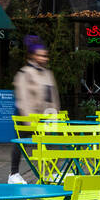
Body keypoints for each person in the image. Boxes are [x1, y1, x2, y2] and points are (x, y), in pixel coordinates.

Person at [9, 35, 60, 184]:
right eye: (40, 55)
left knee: (50, 143)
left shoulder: (48, 74)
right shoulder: (25, 73)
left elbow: (52, 96)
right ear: (32, 56)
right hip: (26, 116)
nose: (43, 58)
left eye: (45, 55)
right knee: (20, 143)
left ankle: (49, 172)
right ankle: (13, 174)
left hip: (45, 116)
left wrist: (55, 115)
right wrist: (30, 120)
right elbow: (23, 98)